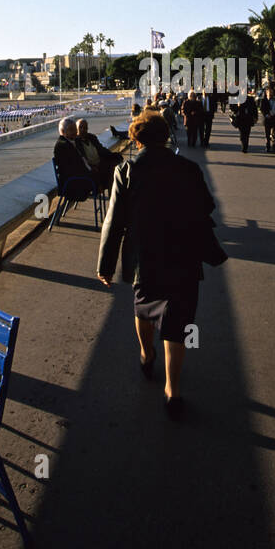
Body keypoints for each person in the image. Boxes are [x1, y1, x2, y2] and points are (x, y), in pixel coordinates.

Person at [97, 110, 227, 417]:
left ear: (136, 138)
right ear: (166, 135)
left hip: (146, 256)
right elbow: (207, 206)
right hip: (184, 253)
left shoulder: (127, 171)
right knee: (178, 321)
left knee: (143, 307)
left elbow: (114, 222)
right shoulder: (189, 168)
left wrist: (105, 264)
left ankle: (146, 352)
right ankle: (173, 389)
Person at [53, 117, 95, 201]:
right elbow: (74, 167)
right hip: (73, 184)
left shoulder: (72, 141)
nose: (75, 132)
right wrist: (91, 171)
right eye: (71, 130)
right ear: (63, 131)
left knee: (108, 170)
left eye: (75, 129)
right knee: (106, 173)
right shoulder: (63, 145)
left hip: (77, 179)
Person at [75, 117, 120, 193]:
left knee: (116, 165)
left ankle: (113, 193)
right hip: (89, 168)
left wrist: (113, 155)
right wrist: (90, 166)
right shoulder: (75, 142)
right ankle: (110, 193)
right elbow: (80, 160)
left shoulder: (92, 137)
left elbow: (101, 149)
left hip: (100, 163)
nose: (83, 129)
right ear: (76, 129)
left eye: (85, 128)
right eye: (80, 127)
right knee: (111, 173)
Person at [260, 84, 275, 153]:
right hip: (267, 119)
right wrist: (266, 114)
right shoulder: (263, 100)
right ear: (266, 93)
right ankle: (268, 146)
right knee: (267, 134)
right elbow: (262, 109)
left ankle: (274, 146)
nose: (270, 93)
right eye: (269, 92)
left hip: (274, 118)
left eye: (271, 92)